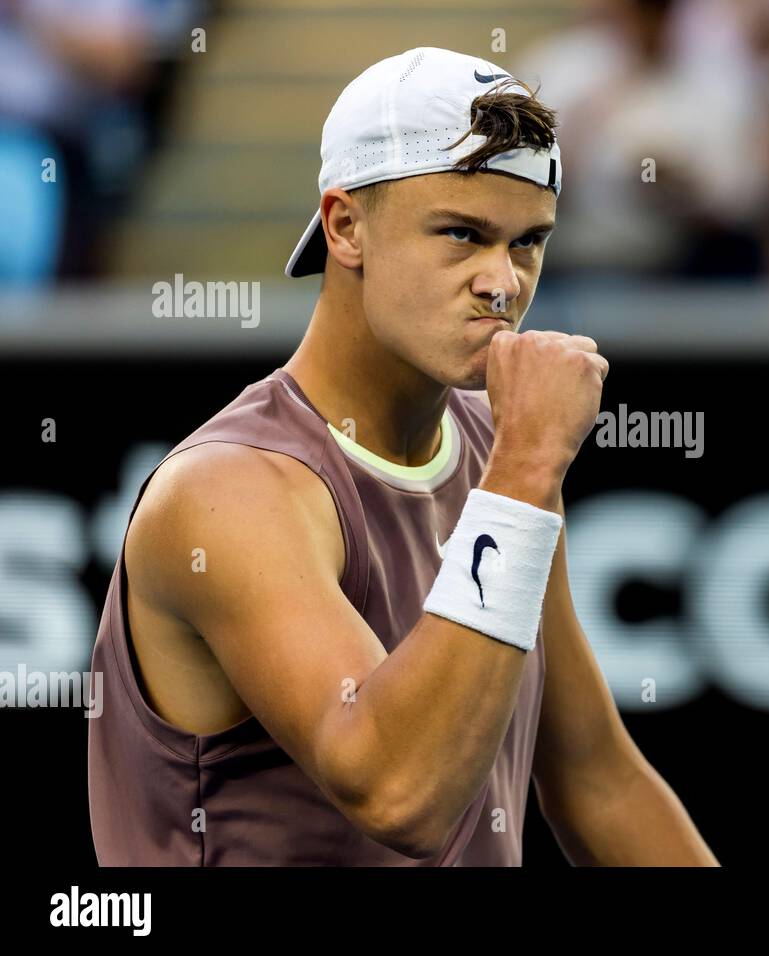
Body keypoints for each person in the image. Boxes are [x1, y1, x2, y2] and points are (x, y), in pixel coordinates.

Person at [87, 46, 719, 867]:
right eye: (463, 234)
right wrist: (527, 472)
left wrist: (518, 469)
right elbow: (397, 794)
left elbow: (597, 779)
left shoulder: (498, 447)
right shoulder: (226, 492)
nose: (503, 282)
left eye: (529, 242)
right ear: (345, 226)